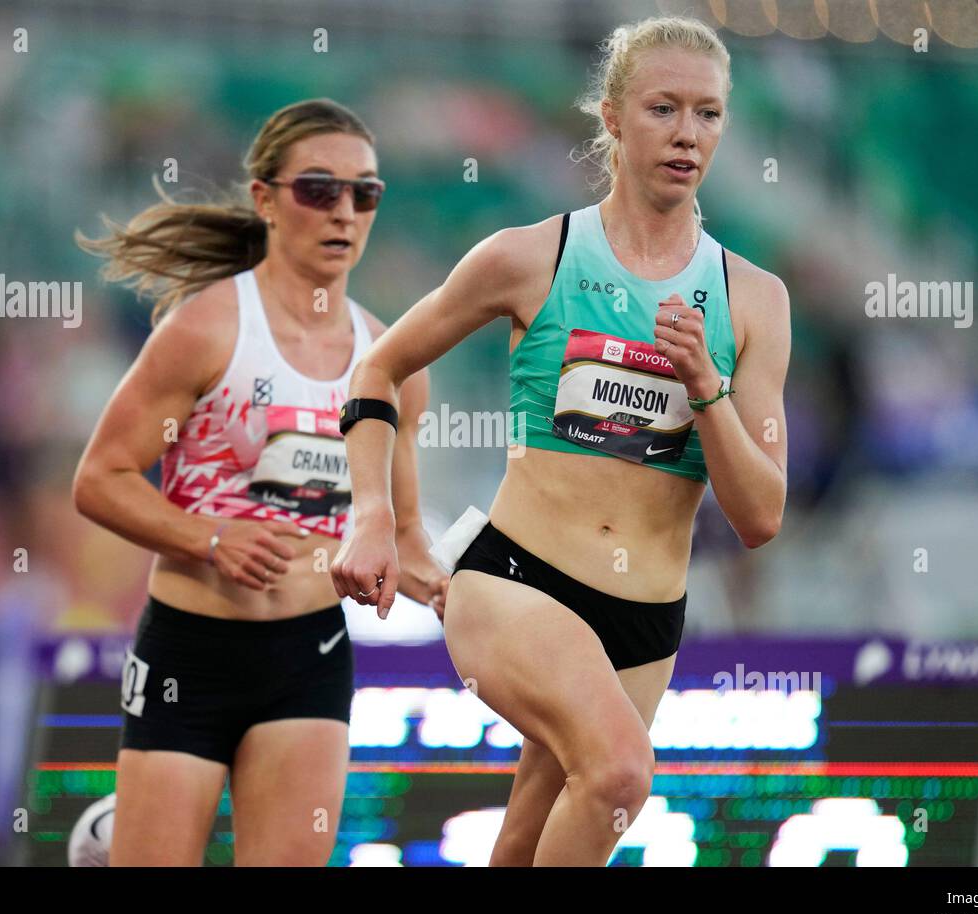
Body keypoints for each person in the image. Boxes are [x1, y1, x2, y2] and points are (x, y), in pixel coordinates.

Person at [332, 16, 790, 866]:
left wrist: (707, 390)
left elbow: (761, 514)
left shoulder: (753, 300)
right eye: (663, 109)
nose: (688, 134)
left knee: (527, 844)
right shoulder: (528, 258)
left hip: (648, 621)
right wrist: (383, 522)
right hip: (515, 581)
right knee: (620, 774)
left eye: (709, 114)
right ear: (612, 118)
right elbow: (377, 370)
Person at [72, 98, 448, 866]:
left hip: (307, 656)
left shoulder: (391, 360)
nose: (344, 211)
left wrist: (458, 592)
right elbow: (100, 478)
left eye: (364, 194)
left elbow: (403, 533)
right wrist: (209, 538)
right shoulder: (208, 329)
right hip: (190, 653)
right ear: (264, 199)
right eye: (319, 189)